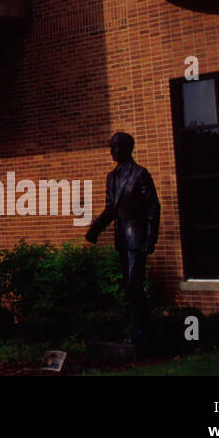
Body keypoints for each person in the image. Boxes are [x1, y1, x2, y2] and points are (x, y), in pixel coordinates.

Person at [85, 131, 161, 346]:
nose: (113, 151)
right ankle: (143, 330)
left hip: (138, 238)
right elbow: (110, 209)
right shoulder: (112, 177)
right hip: (122, 239)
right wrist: (95, 229)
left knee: (134, 285)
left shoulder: (140, 174)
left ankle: (140, 333)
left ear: (128, 149)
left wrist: (150, 238)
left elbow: (153, 207)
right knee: (129, 286)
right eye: (111, 147)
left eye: (116, 147)